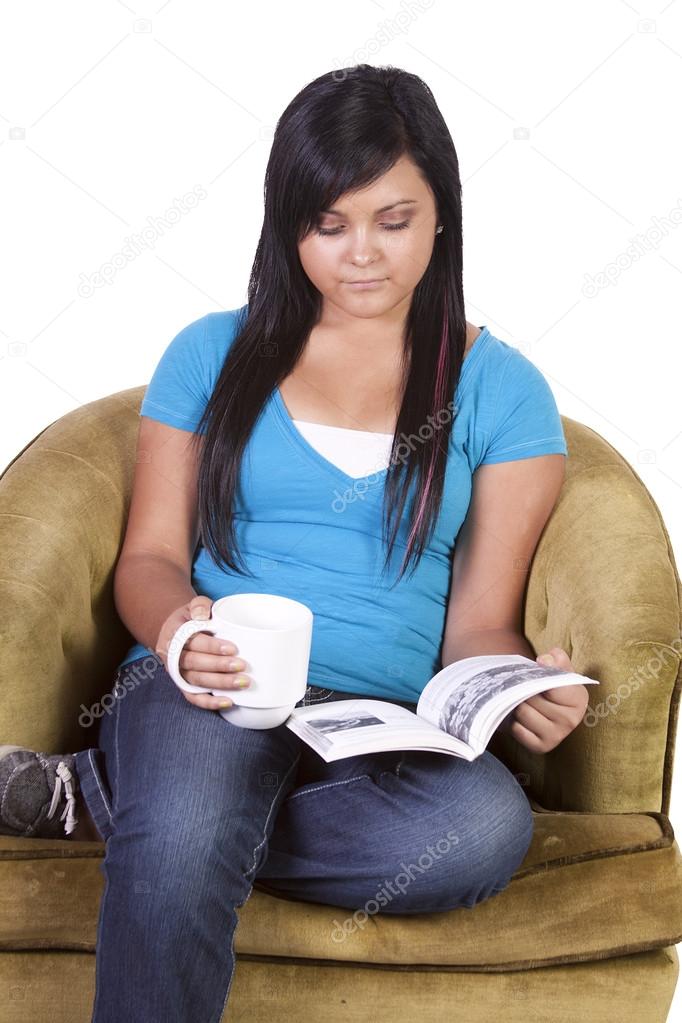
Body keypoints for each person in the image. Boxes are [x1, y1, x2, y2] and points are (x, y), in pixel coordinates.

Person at [0, 63, 589, 1022]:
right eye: (328, 224)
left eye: (393, 221)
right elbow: (149, 560)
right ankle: (168, 806)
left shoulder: (502, 390)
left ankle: (104, 797)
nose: (363, 255)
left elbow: (478, 624)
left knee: (482, 825)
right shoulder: (210, 352)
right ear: (289, 225)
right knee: (192, 809)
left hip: (374, 733)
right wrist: (179, 633)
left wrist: (521, 685)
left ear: (442, 215)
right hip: (212, 688)